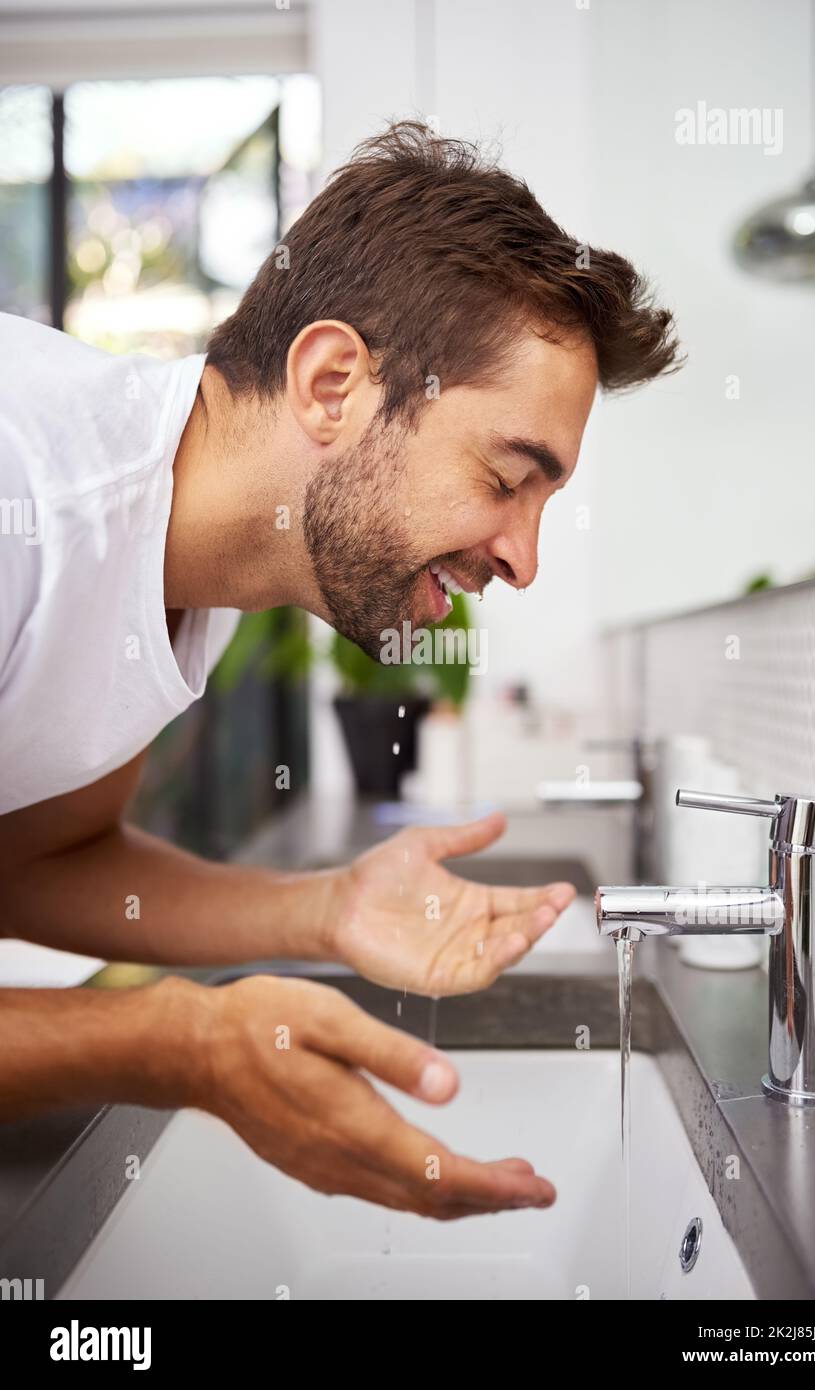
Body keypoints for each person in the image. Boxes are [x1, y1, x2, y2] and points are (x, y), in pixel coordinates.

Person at [0, 122, 679, 1219]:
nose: (523, 557)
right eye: (509, 476)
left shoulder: (192, 560)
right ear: (330, 383)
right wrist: (185, 1042)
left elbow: (34, 863)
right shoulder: (23, 495)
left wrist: (328, 911)